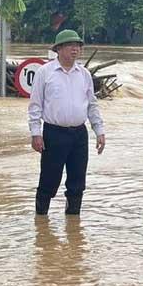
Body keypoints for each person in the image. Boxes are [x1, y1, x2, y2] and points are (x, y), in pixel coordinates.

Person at [28, 29, 106, 216]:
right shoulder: (45, 73)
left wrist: (99, 130)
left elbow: (91, 105)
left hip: (79, 133)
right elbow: (35, 105)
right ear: (59, 49)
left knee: (78, 181)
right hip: (54, 133)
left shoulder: (84, 74)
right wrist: (36, 133)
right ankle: (41, 222)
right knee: (49, 178)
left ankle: (73, 225)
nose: (75, 49)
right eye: (71, 45)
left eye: (78, 45)